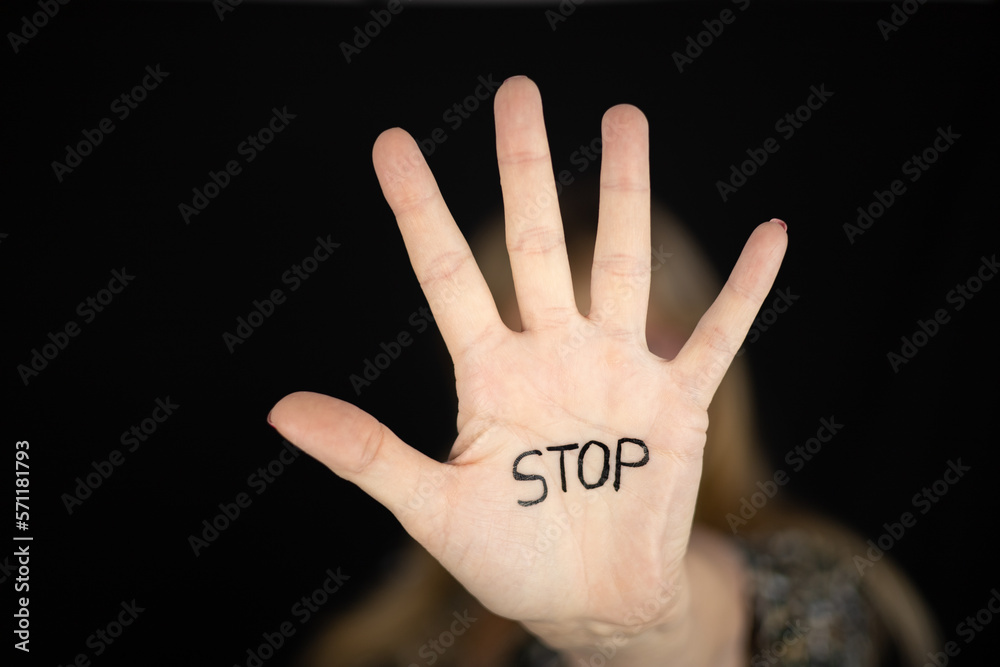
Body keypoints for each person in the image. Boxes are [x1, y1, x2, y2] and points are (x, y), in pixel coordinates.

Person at [268, 76, 938, 666]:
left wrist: (646, 629)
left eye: (648, 326)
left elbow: (708, 630)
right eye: (546, 343)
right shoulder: (410, 630)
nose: (596, 379)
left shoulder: (810, 582)